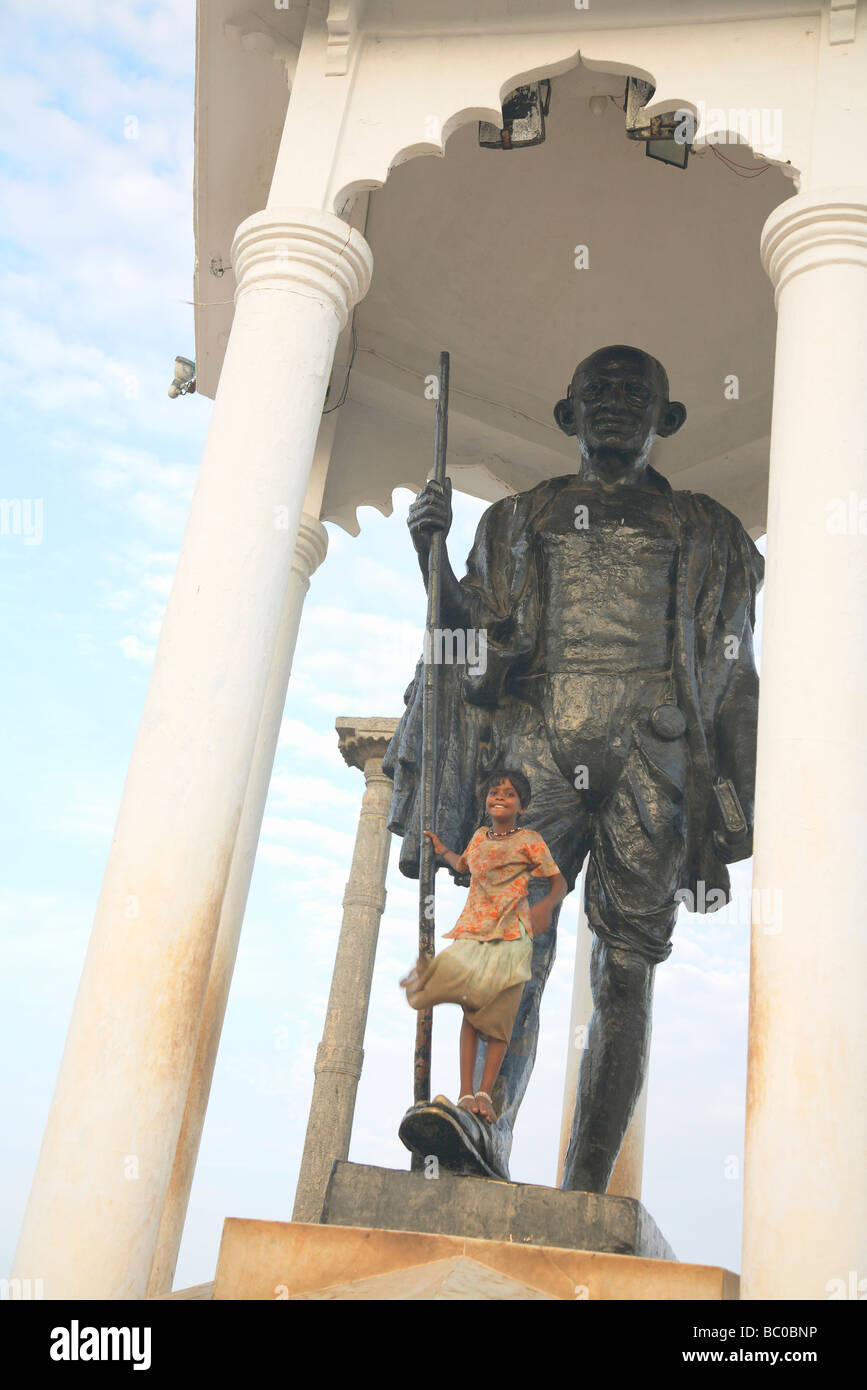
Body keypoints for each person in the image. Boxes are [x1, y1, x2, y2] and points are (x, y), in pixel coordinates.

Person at [385, 344, 763, 1189]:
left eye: (638, 393)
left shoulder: (707, 530)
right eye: (599, 390)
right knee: (510, 944)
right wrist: (432, 559)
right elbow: (468, 651)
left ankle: (586, 1180)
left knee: (623, 967)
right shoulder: (519, 519)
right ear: (567, 414)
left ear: (668, 419)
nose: (617, 403)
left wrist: (727, 799)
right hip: (539, 748)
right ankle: (483, 1124)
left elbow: (731, 676)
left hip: (654, 752)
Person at [400, 769, 567, 1124]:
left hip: (511, 935)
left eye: (508, 794)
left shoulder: (530, 840)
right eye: (494, 793)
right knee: (472, 1011)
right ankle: (465, 1092)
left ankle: (484, 1094)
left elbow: (559, 882)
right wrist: (441, 849)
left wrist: (546, 906)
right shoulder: (479, 837)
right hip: (474, 932)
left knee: (499, 1018)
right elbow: (461, 864)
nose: (500, 798)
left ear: (521, 805)